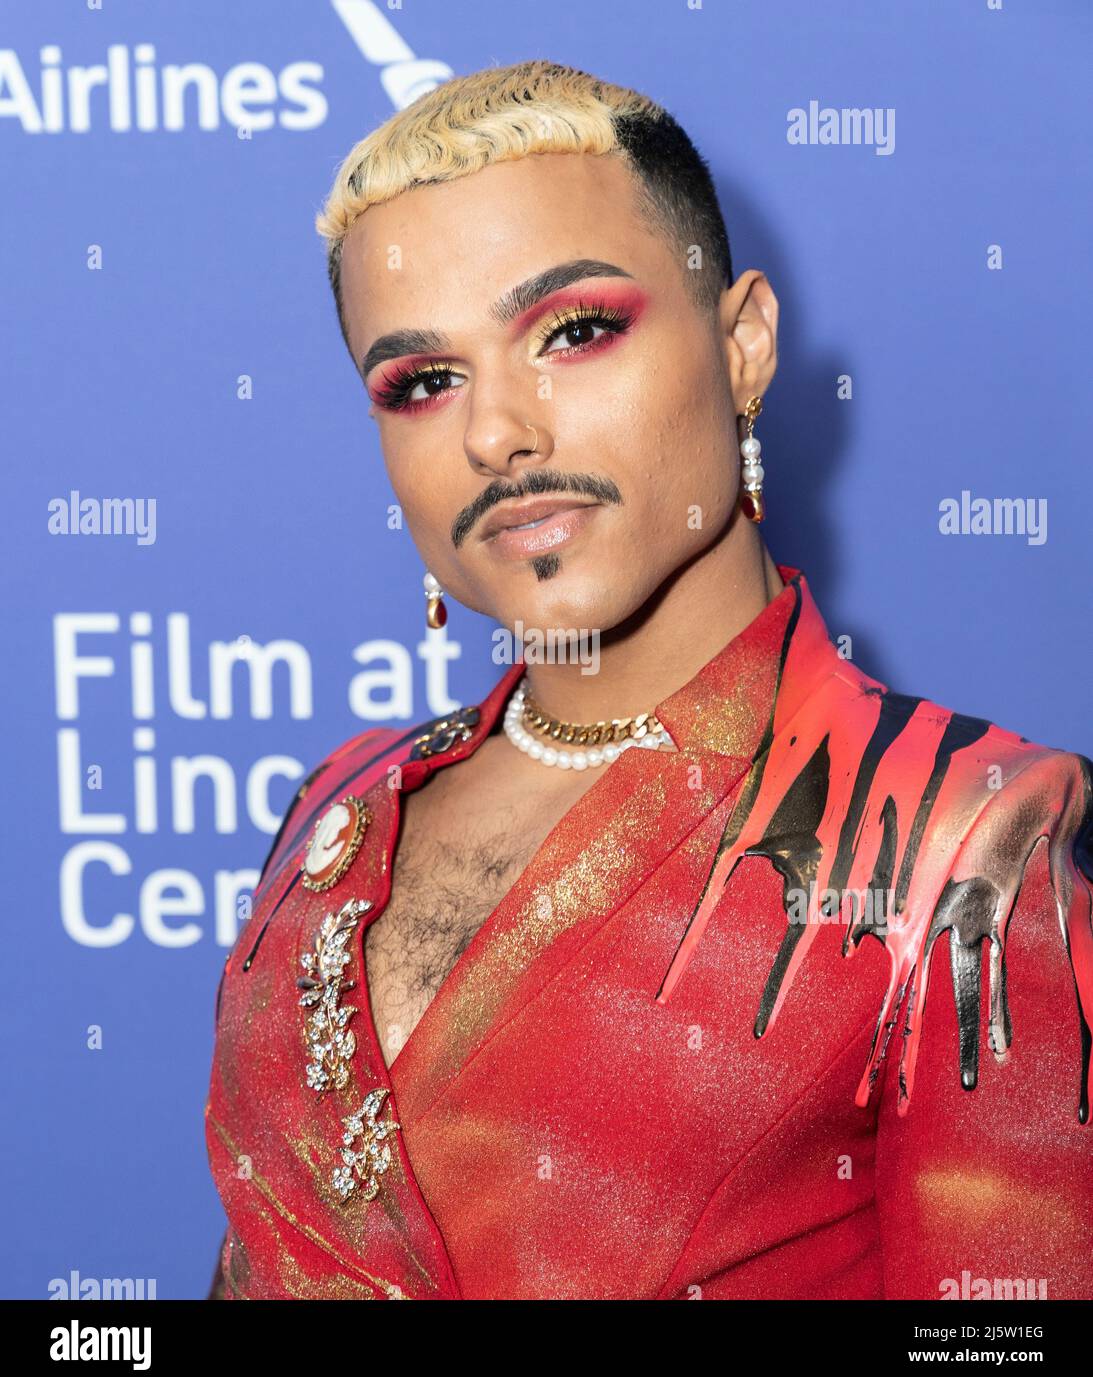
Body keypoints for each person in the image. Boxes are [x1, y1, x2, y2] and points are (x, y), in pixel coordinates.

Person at [203, 60, 1092, 1300]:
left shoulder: (959, 840)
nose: (495, 433)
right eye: (421, 382)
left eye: (572, 332)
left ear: (742, 348)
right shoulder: (336, 812)